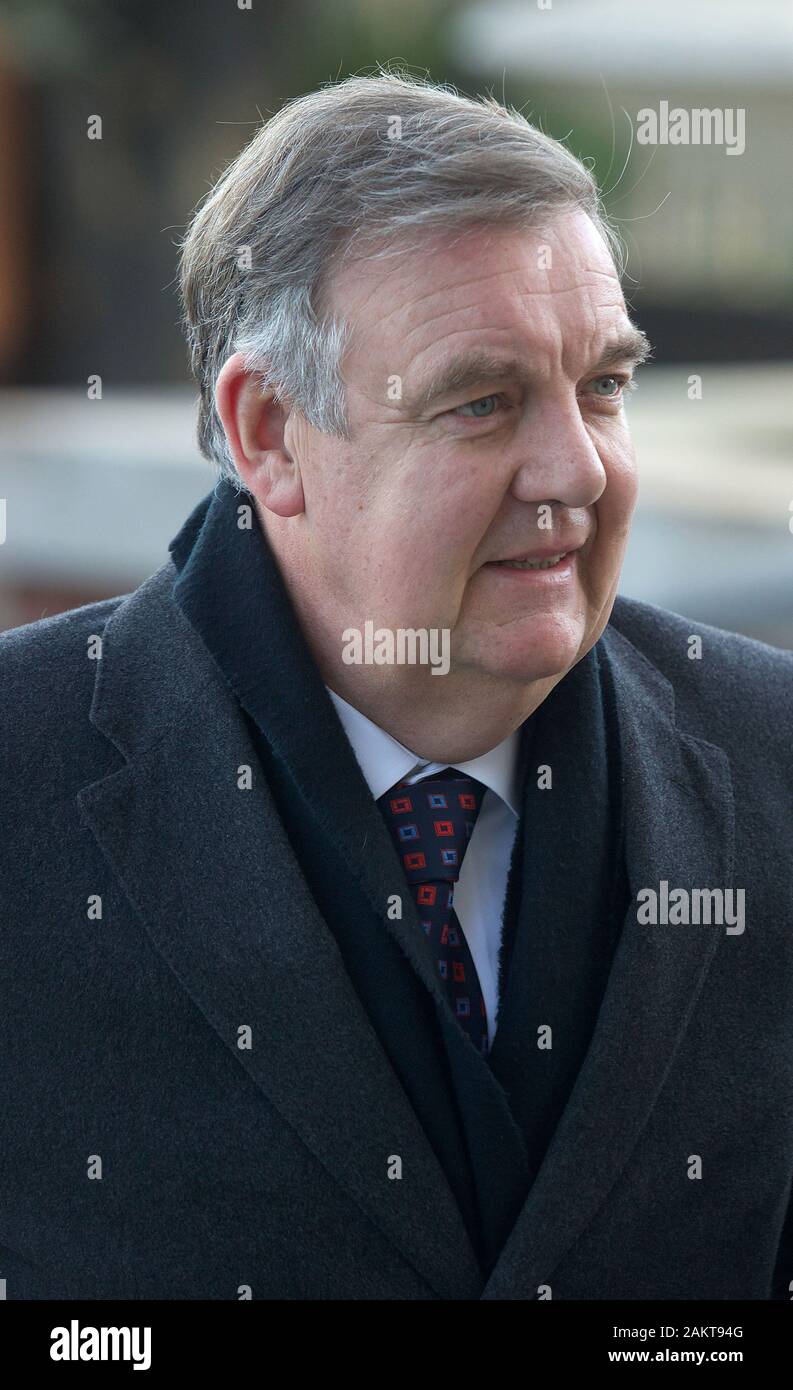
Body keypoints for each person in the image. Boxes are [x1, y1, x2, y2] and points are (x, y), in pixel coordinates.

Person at [2, 71, 792, 1301]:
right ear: (269, 434)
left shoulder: (774, 756)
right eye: (480, 403)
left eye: (603, 387)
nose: (575, 471)